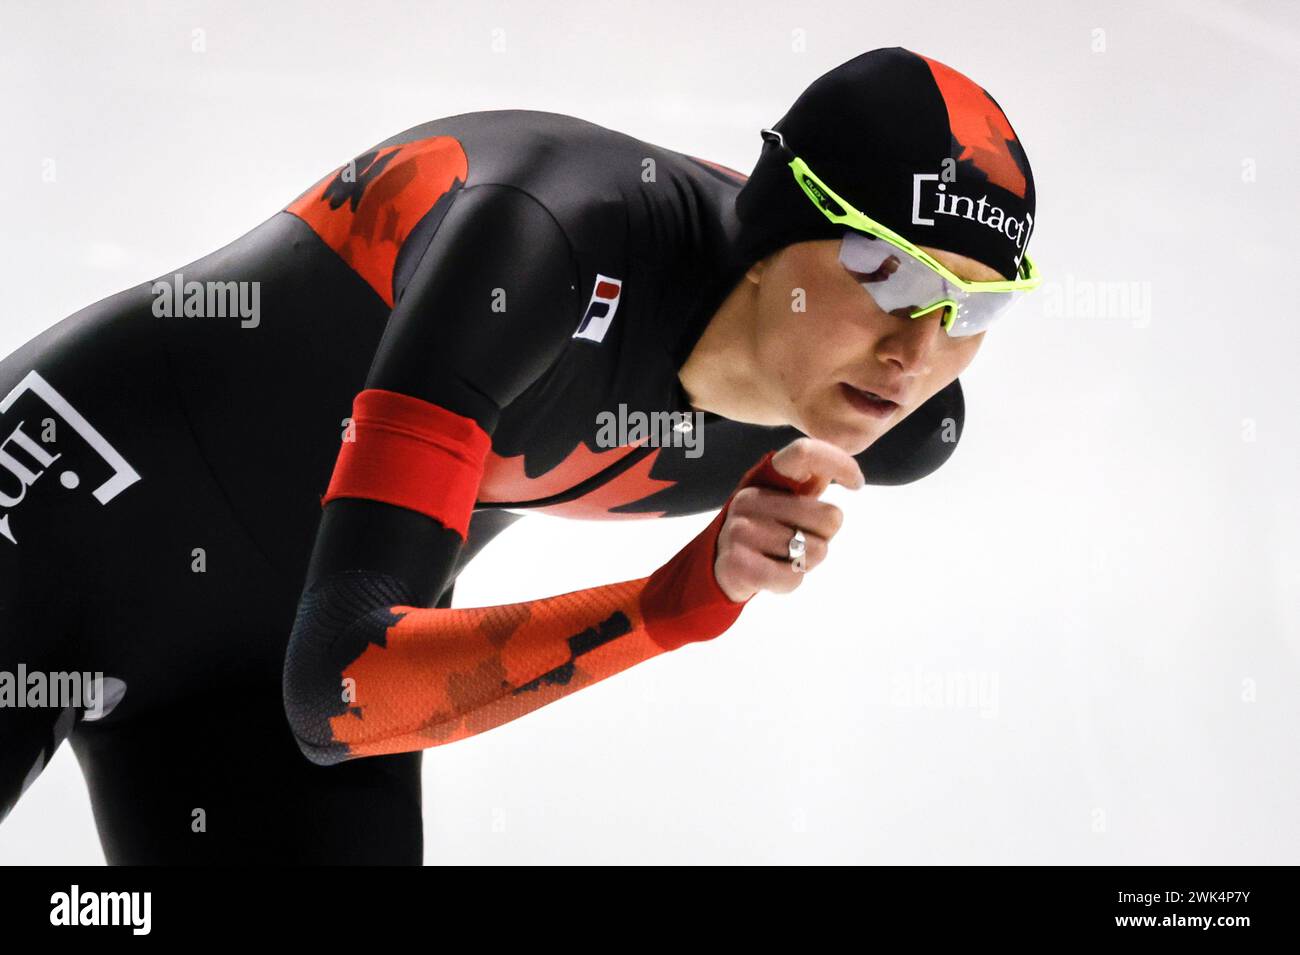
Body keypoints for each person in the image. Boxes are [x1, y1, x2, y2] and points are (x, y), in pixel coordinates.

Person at [0, 46, 1039, 863]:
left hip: (263, 677)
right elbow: (339, 683)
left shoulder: (895, 419)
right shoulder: (545, 240)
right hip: (66, 496)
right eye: (886, 275)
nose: (916, 351)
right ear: (773, 234)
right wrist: (676, 602)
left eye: (973, 304)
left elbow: (320, 705)